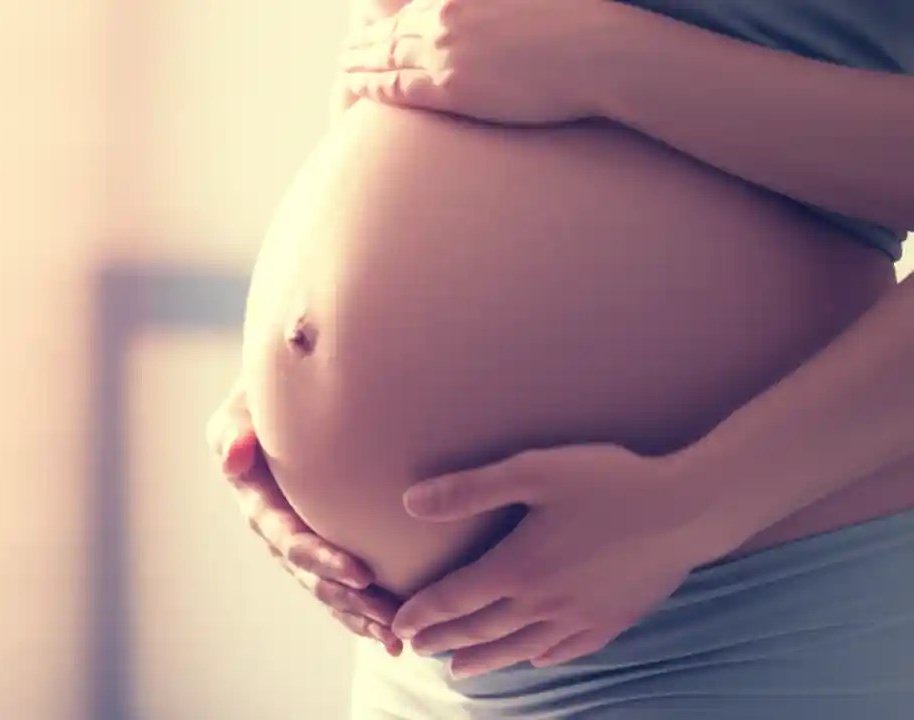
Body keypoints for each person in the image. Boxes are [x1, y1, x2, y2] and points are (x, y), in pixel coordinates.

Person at [207, 0, 914, 717]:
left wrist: (613, 63)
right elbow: (391, 60)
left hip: (742, 599)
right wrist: (271, 411)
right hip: (414, 654)